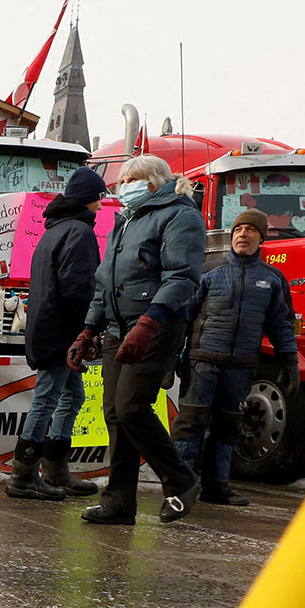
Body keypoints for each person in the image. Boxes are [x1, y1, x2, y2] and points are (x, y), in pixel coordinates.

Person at [70, 154, 204, 524]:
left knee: (131, 406)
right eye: (122, 180)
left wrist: (148, 322)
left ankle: (180, 481)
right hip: (116, 327)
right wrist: (88, 330)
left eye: (131, 180)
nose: (123, 187)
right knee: (114, 413)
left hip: (155, 326)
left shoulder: (181, 215)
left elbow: (182, 276)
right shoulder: (125, 222)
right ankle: (118, 501)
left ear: (153, 182)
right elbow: (105, 284)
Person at [172, 208, 299, 506]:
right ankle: (180, 486)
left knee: (228, 426)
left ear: (262, 238)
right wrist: (171, 359)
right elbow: (183, 317)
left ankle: (217, 488)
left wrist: (289, 362)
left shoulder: (272, 279)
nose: (243, 234)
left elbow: (280, 325)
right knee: (190, 424)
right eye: (238, 229)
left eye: (251, 230)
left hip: (241, 367)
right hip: (203, 361)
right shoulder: (208, 271)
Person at [12, 166, 107, 500]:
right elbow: (78, 287)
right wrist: (88, 329)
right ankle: (23, 475)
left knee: (72, 396)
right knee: (48, 398)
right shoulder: (79, 233)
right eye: (100, 197)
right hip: (61, 331)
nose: (101, 203)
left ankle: (55, 468)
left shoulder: (54, 229)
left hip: (48, 325)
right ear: (91, 200)